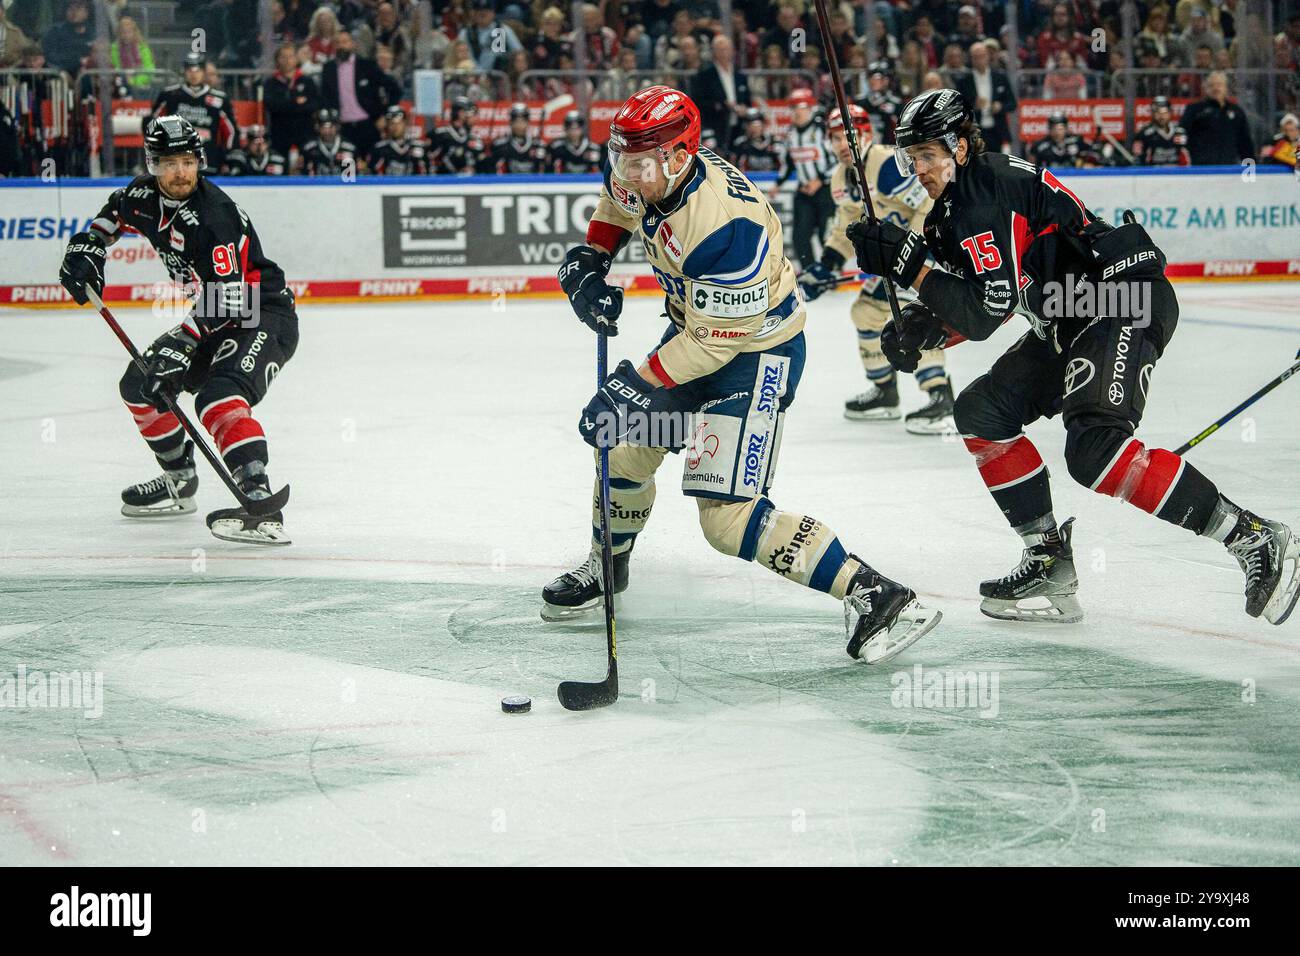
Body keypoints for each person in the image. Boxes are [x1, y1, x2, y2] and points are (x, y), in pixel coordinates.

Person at [846, 89, 1299, 627]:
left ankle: (1253, 536)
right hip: (1070, 314)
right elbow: (993, 299)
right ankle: (1047, 561)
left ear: (960, 147)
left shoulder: (985, 196)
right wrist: (927, 328)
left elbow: (987, 311)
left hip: (1119, 302)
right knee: (981, 413)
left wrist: (914, 272)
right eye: (910, 157)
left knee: (1095, 449)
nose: (918, 168)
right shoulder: (949, 215)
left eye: (927, 154)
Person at [544, 86, 941, 663]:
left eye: (639, 163)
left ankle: (877, 594)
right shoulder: (653, 170)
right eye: (621, 158)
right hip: (697, 337)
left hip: (754, 358)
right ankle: (609, 565)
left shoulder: (728, 225)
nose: (626, 174)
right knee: (626, 449)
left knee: (727, 518)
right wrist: (591, 260)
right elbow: (619, 205)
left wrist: (632, 385)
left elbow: (713, 344)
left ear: (680, 155)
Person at [57, 116, 298, 545]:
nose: (180, 172)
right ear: (153, 165)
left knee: (218, 396)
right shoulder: (143, 196)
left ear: (199, 161)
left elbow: (231, 297)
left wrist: (183, 341)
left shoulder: (214, 218)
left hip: (261, 314)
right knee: (140, 384)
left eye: (187, 161)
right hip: (214, 313)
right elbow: (114, 211)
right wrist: (89, 245)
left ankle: (256, 490)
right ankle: (179, 480)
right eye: (169, 163)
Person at [800, 104, 953, 433]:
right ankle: (885, 391)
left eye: (848, 136)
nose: (842, 144)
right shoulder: (841, 178)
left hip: (922, 257)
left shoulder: (887, 164)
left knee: (913, 320)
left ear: (865, 134)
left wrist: (910, 254)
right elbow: (845, 226)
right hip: (895, 263)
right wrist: (826, 265)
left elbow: (929, 203)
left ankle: (940, 395)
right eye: (835, 138)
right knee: (866, 313)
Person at [770, 87, 834, 269]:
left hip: (825, 190)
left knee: (827, 235)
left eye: (801, 107)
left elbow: (837, 160)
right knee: (799, 236)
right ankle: (810, 271)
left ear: (810, 109)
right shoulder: (791, 134)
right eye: (793, 107)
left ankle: (830, 271)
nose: (797, 112)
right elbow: (788, 162)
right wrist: (778, 184)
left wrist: (819, 180)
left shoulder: (822, 129)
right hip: (804, 190)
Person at [320, 29, 400, 163]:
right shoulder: (328, 68)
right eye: (338, 42)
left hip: (368, 125)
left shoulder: (367, 65)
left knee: (372, 164)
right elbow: (325, 98)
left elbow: (394, 88)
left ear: (352, 44)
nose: (341, 46)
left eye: (345, 42)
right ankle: (349, 183)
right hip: (343, 129)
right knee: (348, 169)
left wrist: (384, 114)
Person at [150, 52, 238, 173]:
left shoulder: (219, 99)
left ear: (203, 72)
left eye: (197, 70)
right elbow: (153, 125)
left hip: (208, 160)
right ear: (184, 72)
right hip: (175, 161)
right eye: (190, 70)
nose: (193, 75)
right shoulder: (169, 95)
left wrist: (227, 158)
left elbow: (230, 132)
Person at [1181, 72, 1256, 165]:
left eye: (1219, 85)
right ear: (1205, 88)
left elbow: (1245, 143)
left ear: (1226, 88)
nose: (1215, 88)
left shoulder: (1236, 111)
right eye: (1211, 85)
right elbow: (1182, 136)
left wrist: (1251, 168)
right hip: (1201, 168)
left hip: (1229, 167)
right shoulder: (1195, 110)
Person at [955, 41, 1016, 152]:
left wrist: (1000, 106)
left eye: (982, 56)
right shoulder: (964, 81)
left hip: (998, 132)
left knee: (1000, 166)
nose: (979, 60)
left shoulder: (1000, 77)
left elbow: (1012, 103)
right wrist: (973, 106)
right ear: (971, 59)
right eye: (976, 57)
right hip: (975, 132)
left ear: (988, 56)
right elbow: (958, 108)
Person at [263, 41, 320, 158]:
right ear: (277, 60)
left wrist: (286, 104)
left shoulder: (306, 81)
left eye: (290, 56)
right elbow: (271, 105)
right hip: (280, 131)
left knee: (310, 162)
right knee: (279, 165)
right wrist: (296, 102)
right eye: (283, 57)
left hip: (305, 130)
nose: (287, 60)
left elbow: (314, 104)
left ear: (296, 59)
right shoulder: (271, 83)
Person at [691, 33, 749, 148]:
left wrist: (744, 108)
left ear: (732, 51)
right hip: (714, 125)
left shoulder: (740, 76)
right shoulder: (705, 75)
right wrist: (722, 105)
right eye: (720, 50)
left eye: (726, 49)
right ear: (714, 52)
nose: (723, 53)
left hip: (738, 124)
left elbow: (747, 99)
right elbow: (698, 101)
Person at [428, 96, 487, 175]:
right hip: (443, 184)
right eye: (471, 113)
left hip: (470, 185)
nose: (475, 118)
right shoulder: (440, 135)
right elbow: (430, 161)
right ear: (461, 113)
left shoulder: (474, 139)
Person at [369, 105, 428, 175]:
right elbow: (373, 175)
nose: (395, 127)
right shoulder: (379, 148)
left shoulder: (419, 146)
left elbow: (428, 174)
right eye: (391, 124)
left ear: (405, 123)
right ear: (387, 126)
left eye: (399, 123)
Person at [1132, 96, 1191, 166]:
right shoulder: (1144, 134)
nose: (1161, 116)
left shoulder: (1180, 132)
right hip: (1152, 174)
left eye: (1164, 112)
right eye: (1157, 113)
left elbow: (1186, 158)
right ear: (1153, 113)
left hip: (1176, 174)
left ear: (1170, 112)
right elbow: (1137, 159)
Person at [491, 101, 547, 174]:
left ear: (528, 122)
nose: (519, 125)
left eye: (523, 121)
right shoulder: (500, 145)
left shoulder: (538, 145)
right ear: (510, 122)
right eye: (516, 121)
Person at [855, 61, 902, 145]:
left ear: (887, 80)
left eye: (879, 78)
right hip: (865, 145)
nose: (874, 81)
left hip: (888, 148)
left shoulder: (896, 104)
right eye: (871, 77)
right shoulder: (860, 102)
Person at [300, 108, 358, 175]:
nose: (327, 131)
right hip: (317, 184)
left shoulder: (349, 148)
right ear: (317, 127)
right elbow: (302, 174)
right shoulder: (308, 149)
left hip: (342, 185)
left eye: (331, 127)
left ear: (337, 127)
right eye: (324, 127)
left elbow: (353, 177)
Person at [40, 0, 91, 76]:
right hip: (62, 74)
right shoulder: (55, 32)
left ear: (86, 13)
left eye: (78, 8)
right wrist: (77, 60)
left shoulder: (93, 33)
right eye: (70, 9)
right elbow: (50, 56)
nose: (74, 12)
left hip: (88, 74)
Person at [727, 107, 782, 173]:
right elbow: (733, 167)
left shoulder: (774, 141)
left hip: (772, 179)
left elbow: (783, 163)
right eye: (751, 125)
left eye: (758, 125)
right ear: (746, 127)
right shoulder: (741, 143)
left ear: (763, 125)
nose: (755, 129)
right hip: (748, 179)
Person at [109, 15, 155, 90]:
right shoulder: (114, 48)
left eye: (129, 32)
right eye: (123, 32)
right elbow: (113, 69)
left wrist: (132, 81)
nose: (126, 35)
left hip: (141, 87)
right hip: (120, 86)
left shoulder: (143, 48)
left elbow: (150, 72)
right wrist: (124, 78)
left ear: (134, 32)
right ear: (119, 33)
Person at [224, 124, 288, 175]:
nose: (259, 146)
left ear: (267, 144)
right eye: (254, 143)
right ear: (248, 142)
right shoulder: (237, 157)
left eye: (262, 143)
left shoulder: (277, 159)